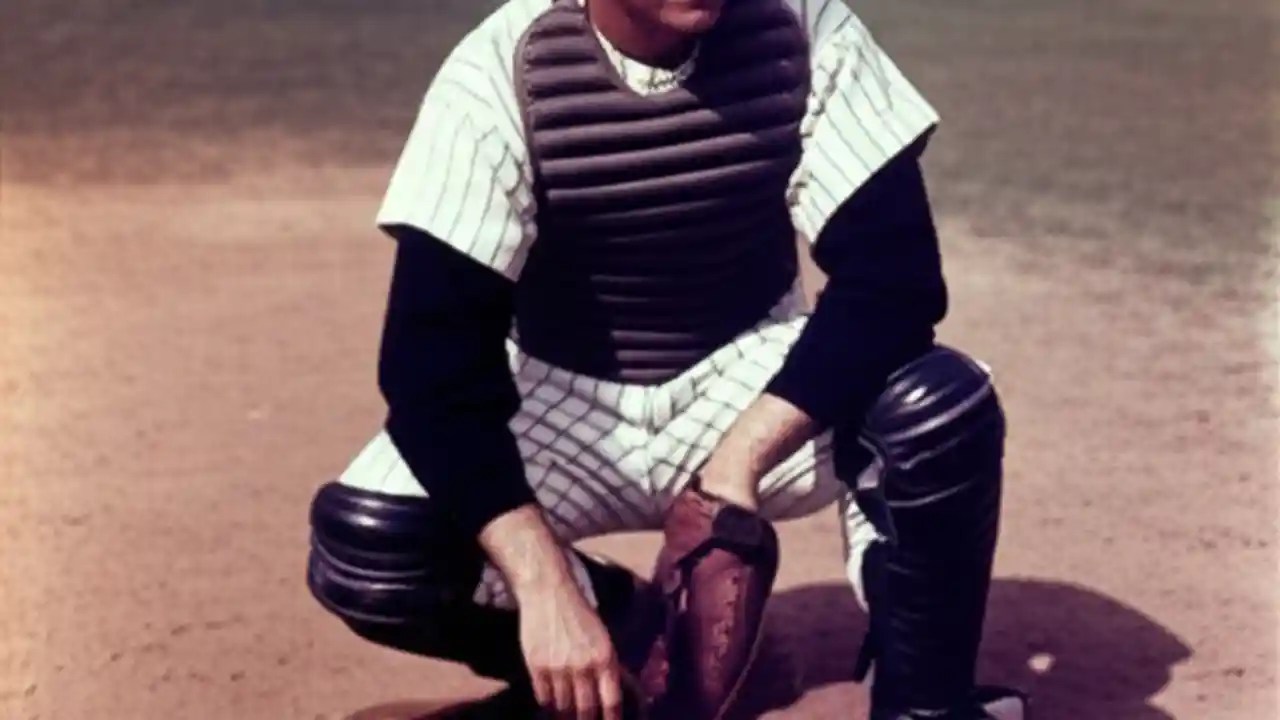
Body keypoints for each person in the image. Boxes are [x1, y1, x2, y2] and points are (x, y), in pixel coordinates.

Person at [306, 0, 1029, 718]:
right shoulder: (498, 70)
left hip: (746, 374)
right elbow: (432, 368)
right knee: (371, 551)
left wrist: (737, 465)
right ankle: (627, 637)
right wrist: (546, 587)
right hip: (561, 395)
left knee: (937, 411)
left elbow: (894, 280)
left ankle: (922, 703)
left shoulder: (804, 26)